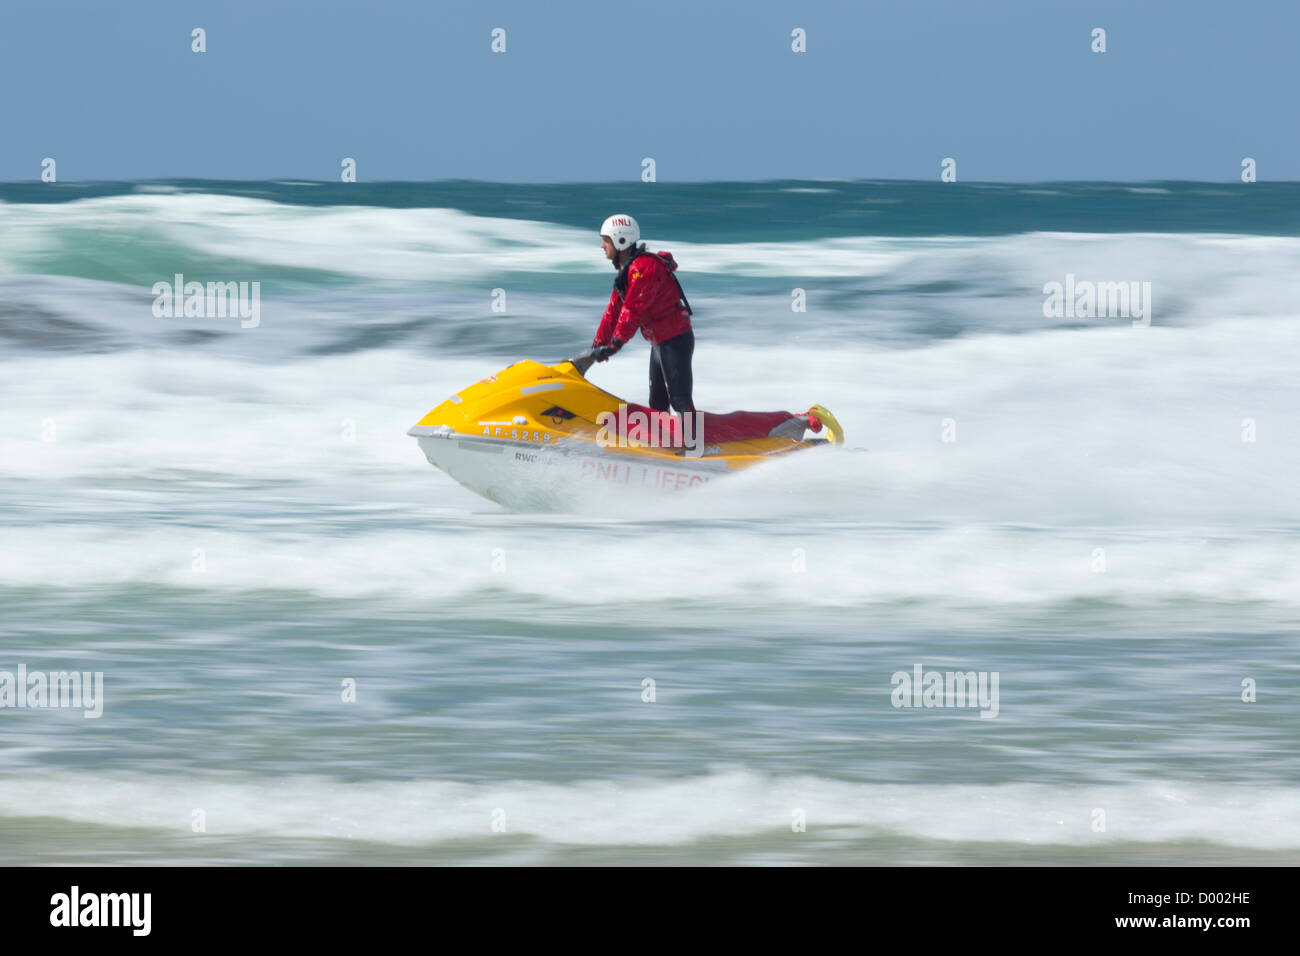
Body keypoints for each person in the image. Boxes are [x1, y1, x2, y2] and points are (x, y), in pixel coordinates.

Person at [589, 214, 696, 414]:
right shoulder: (627, 270)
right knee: (657, 403)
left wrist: (614, 345)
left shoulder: (644, 268)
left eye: (606, 240)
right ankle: (666, 444)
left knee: (680, 400)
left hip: (675, 340)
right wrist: (597, 344)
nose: (602, 246)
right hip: (659, 342)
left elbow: (633, 310)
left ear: (621, 240)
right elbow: (613, 310)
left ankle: (695, 445)